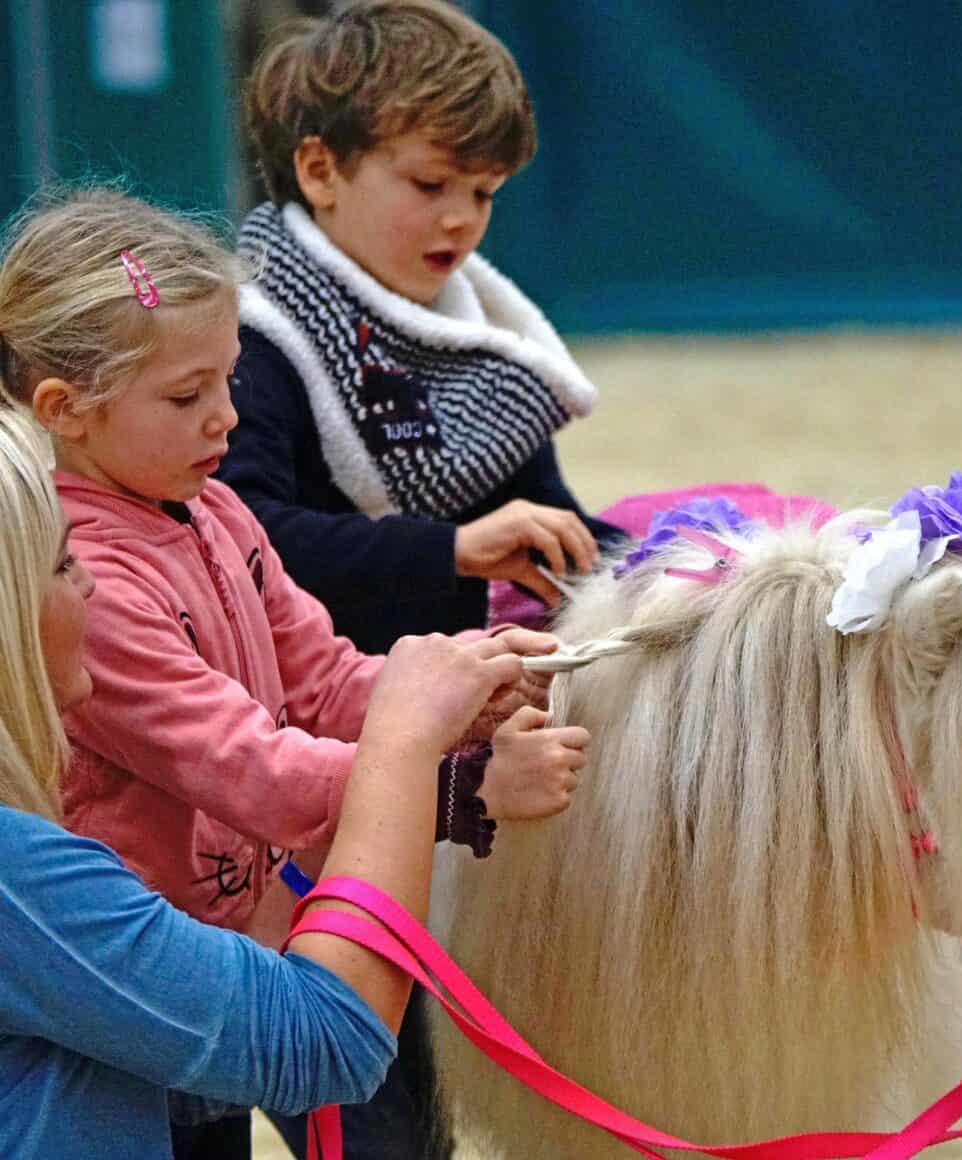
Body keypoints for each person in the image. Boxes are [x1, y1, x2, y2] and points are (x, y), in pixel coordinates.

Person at [0, 186, 590, 1160]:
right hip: (139, 1009)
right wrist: (460, 783)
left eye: (229, 381)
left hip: (234, 949)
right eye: (187, 396)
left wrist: (467, 697)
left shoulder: (220, 512)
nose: (226, 418)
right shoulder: (87, 582)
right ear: (65, 409)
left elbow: (319, 679)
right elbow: (249, 768)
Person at [221, 0, 626, 659]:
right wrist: (452, 550)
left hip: (445, 684)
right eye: (432, 183)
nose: (462, 219)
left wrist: (680, 569)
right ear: (320, 171)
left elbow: (549, 527)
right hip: (298, 709)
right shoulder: (248, 339)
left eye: (484, 192)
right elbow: (238, 538)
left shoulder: (474, 336)